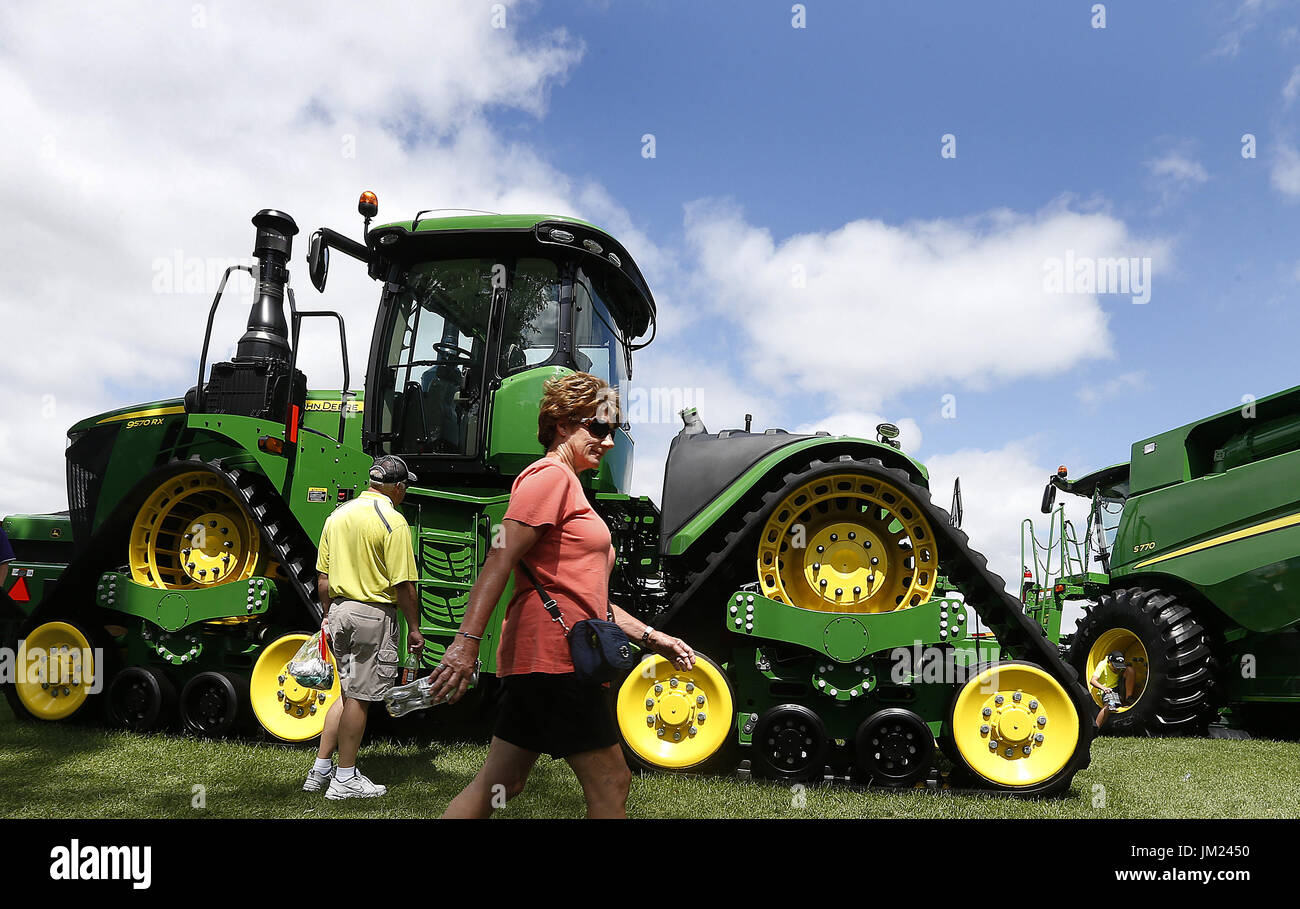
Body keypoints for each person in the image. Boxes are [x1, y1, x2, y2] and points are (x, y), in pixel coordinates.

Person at [431, 372, 696, 819]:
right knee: (613, 781)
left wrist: (653, 637)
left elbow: (588, 599)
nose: (608, 442)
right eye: (599, 428)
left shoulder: (570, 485)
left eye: (613, 430)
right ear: (564, 423)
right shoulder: (548, 478)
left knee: (503, 783)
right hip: (556, 661)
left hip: (550, 659)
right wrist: (465, 644)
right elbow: (498, 560)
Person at [304, 455, 424, 799]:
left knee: (344, 693)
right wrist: (414, 628)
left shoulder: (336, 516)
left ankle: (320, 770)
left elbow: (323, 579)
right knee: (359, 698)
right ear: (398, 488)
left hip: (338, 611)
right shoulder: (394, 521)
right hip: (372, 614)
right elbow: (404, 585)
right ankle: (344, 779)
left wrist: (327, 615)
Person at [1091, 650, 1134, 729]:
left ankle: (1128, 697)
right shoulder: (1102, 665)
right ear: (1109, 662)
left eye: (1119, 666)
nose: (1117, 669)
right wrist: (1104, 688)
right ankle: (1095, 728)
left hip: (1118, 687)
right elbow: (1093, 681)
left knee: (1130, 670)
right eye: (1115, 666)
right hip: (1107, 690)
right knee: (1110, 705)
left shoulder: (1120, 667)